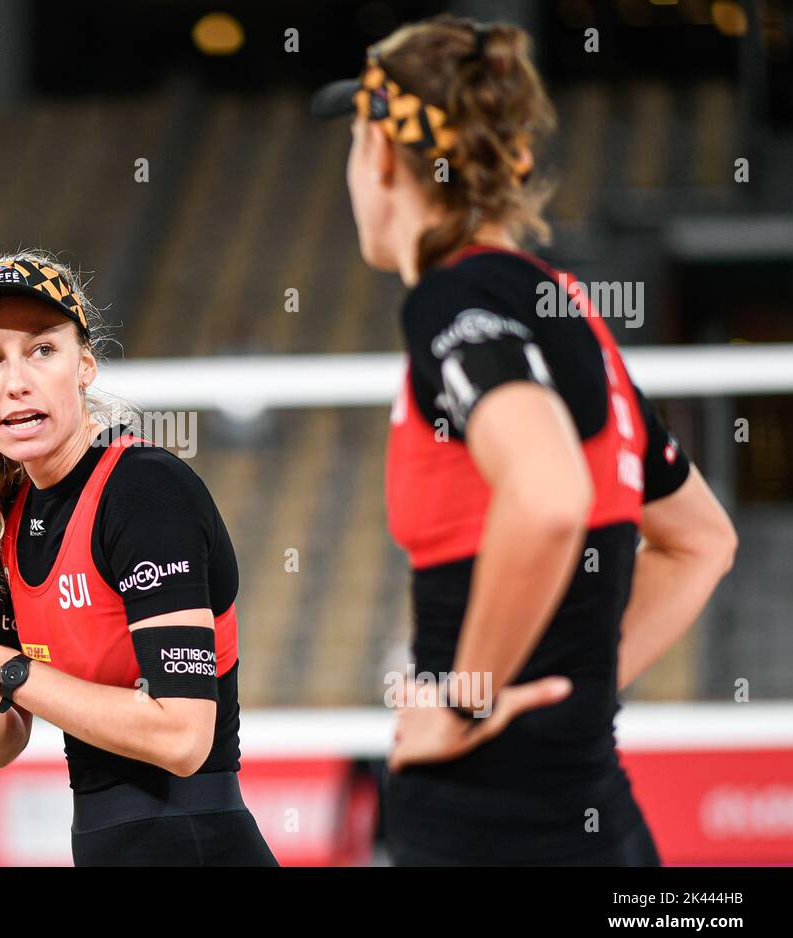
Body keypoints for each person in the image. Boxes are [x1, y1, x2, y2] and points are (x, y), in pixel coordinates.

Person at [311, 14, 737, 864]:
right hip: (592, 814)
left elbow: (547, 496)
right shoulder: (564, 311)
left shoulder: (450, 300)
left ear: (382, 158)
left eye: (357, 141)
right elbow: (701, 541)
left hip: (488, 824)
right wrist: (575, 688)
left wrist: (465, 698)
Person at [0, 251, 277, 866]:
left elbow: (183, 737)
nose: (16, 382)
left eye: (41, 349)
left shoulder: (144, 492)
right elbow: (2, 741)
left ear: (84, 364)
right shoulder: (9, 517)